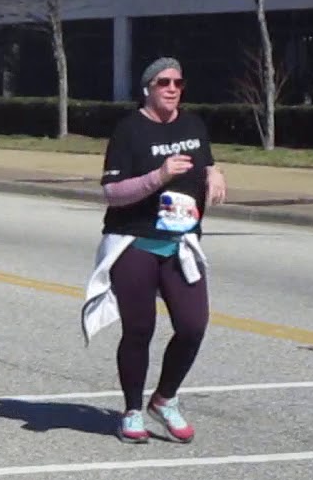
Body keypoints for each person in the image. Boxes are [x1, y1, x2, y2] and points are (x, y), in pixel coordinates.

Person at [80, 57, 227, 445]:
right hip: (134, 241)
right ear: (147, 87)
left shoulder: (193, 125)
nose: (172, 88)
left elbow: (206, 161)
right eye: (163, 82)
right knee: (139, 329)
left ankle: (164, 399)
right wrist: (158, 177)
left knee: (193, 325)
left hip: (182, 241)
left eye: (178, 82)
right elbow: (112, 192)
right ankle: (131, 410)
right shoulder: (129, 130)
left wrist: (215, 173)